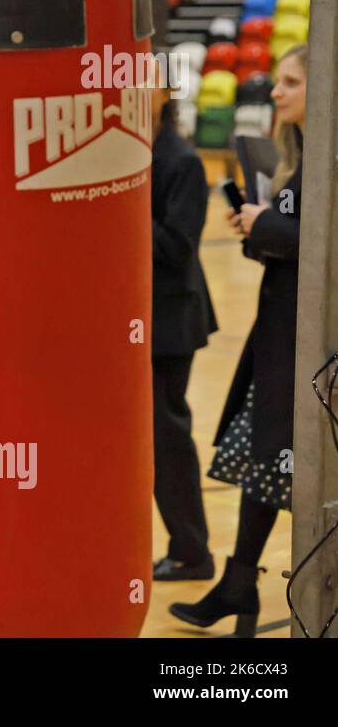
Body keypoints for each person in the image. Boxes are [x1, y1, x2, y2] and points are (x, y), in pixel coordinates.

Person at [171, 44, 307, 637]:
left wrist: (268, 224)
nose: (275, 92)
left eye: (291, 82)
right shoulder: (298, 157)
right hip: (282, 337)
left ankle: (242, 584)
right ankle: (238, 583)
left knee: (280, 461)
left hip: (312, 346)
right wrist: (256, 228)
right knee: (263, 461)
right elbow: (291, 245)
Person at [149, 83, 218, 581]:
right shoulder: (126, 151)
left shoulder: (183, 162)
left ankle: (192, 552)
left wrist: (115, 208)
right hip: (133, 320)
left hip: (171, 321)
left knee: (167, 437)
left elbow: (177, 247)